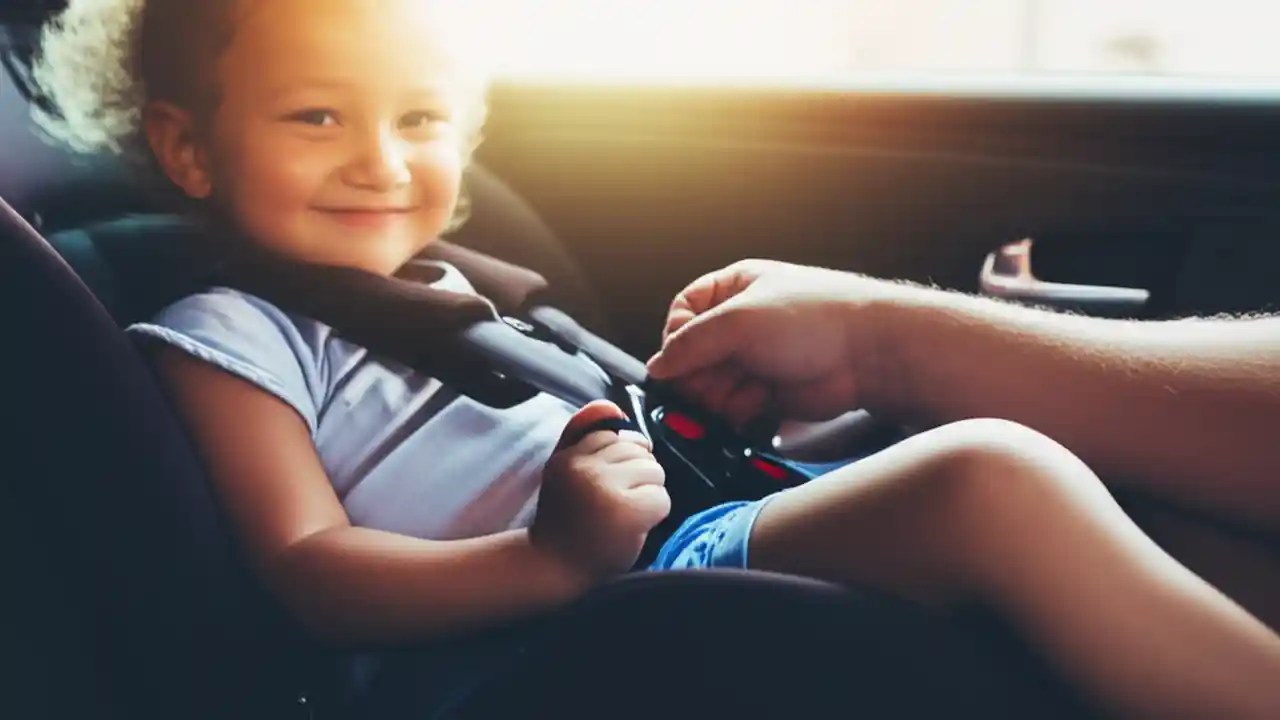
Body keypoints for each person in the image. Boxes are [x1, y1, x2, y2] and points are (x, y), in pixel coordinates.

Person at [32, 1, 1278, 718]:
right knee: (989, 478)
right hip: (576, 619)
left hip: (679, 533)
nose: (381, 160)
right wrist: (546, 558)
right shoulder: (228, 334)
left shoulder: (460, 297)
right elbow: (309, 571)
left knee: (1151, 498)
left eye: (417, 121)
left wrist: (811, 428)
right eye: (317, 118)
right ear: (189, 152)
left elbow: (655, 450)